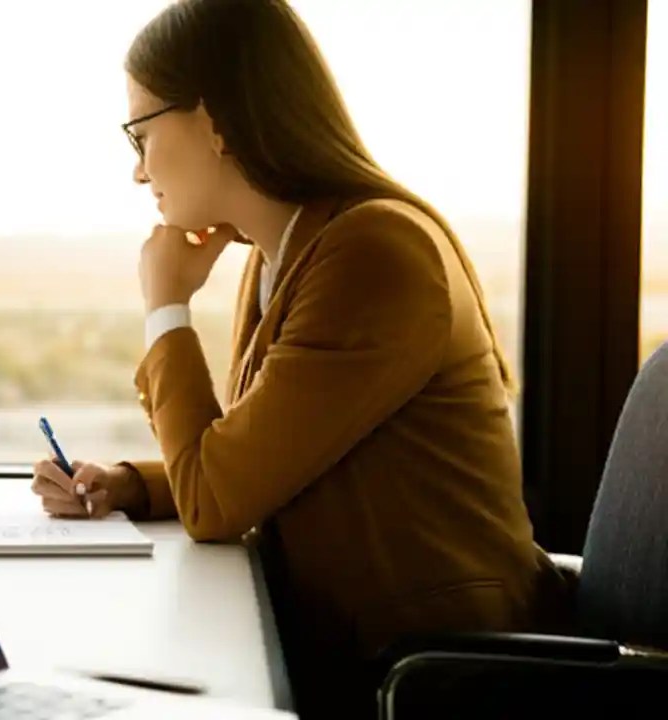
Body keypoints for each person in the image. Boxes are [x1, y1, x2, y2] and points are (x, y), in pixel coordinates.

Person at [30, 0, 567, 716]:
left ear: (213, 117)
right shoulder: (290, 253)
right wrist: (129, 485)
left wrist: (166, 308)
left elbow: (218, 500)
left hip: (440, 678)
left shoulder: (373, 253)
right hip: (364, 651)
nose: (137, 172)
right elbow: (261, 460)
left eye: (140, 134)